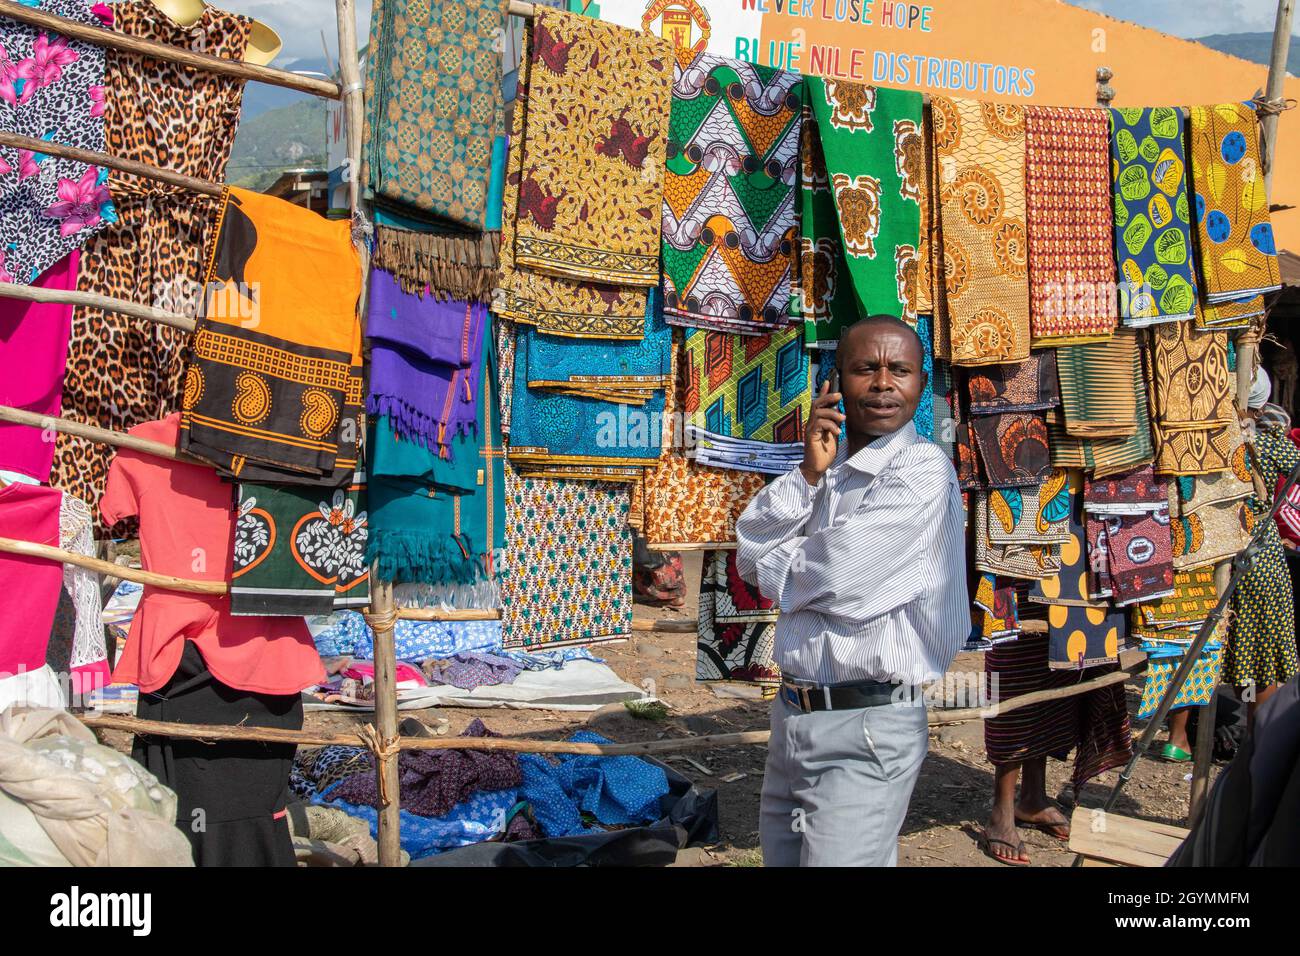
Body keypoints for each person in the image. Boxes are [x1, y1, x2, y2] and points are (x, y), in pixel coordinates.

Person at [735, 315, 967, 867]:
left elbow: (836, 580)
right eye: (866, 369)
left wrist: (780, 567)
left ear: (919, 384)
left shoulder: (923, 472)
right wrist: (809, 477)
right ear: (834, 382)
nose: (884, 384)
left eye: (901, 371)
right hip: (793, 716)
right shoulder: (826, 467)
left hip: (865, 730)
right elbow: (748, 548)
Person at [1227, 368, 1300, 718]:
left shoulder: (1223, 437)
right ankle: (1257, 735)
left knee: (1243, 645)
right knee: (1264, 651)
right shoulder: (1268, 442)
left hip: (1227, 547)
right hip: (1262, 549)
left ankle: (1246, 728)